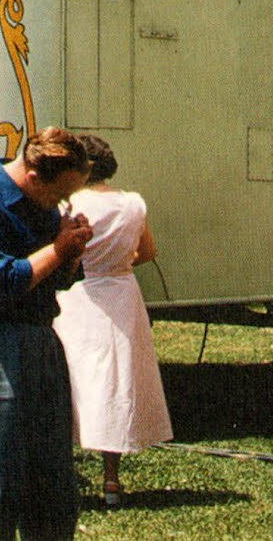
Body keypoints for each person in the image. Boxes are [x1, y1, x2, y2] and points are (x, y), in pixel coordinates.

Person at [0, 126, 94, 540]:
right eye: (59, 193)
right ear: (33, 175)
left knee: (52, 487)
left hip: (38, 341)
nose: (61, 204)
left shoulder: (42, 206)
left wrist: (70, 252)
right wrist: (57, 249)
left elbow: (55, 281)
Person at [53, 133, 172, 507]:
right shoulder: (132, 203)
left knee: (70, 378)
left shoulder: (68, 204)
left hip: (77, 295)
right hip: (120, 294)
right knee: (114, 383)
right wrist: (116, 263)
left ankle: (62, 473)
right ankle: (111, 480)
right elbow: (147, 251)